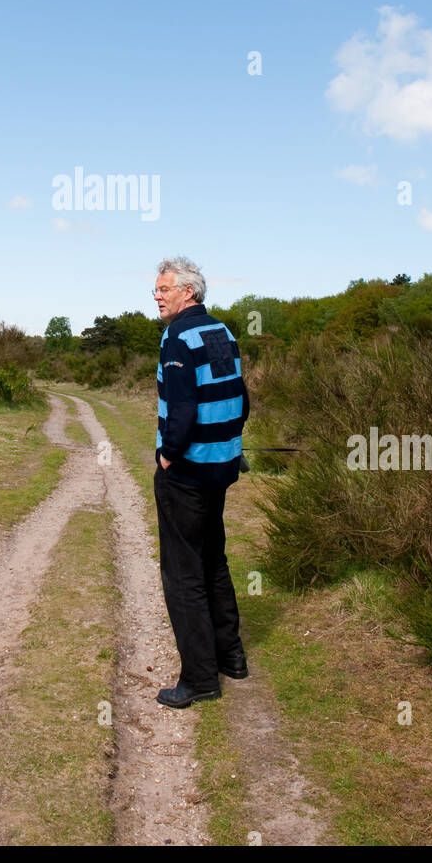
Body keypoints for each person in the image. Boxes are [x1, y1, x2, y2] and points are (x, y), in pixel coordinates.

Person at [152, 256, 250, 708]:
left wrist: (168, 456)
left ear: (188, 292)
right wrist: (229, 444)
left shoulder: (177, 337)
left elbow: (184, 410)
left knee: (183, 575)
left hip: (188, 475)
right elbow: (241, 400)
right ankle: (231, 658)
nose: (157, 295)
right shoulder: (221, 332)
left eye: (164, 289)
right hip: (221, 469)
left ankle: (200, 679)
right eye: (156, 289)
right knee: (214, 561)